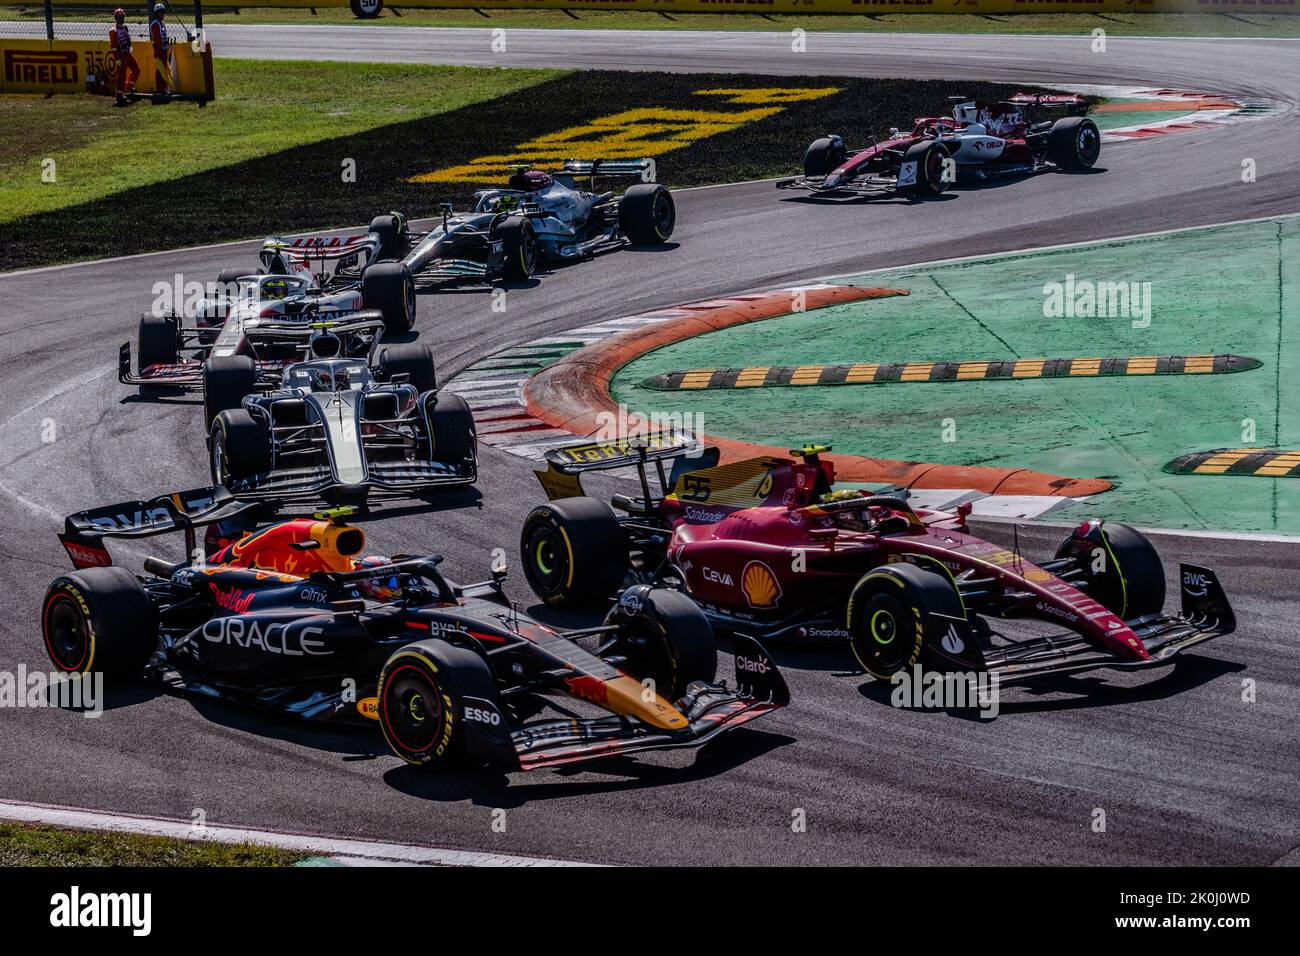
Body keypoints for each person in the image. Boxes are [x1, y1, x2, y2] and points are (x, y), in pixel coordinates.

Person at [108, 8, 139, 107]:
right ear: (116, 18)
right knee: (121, 76)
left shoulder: (125, 27)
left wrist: (130, 48)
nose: (122, 19)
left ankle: (129, 86)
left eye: (123, 17)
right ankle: (119, 96)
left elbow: (127, 40)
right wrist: (118, 60)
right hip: (120, 57)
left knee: (136, 69)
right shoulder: (113, 31)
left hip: (127, 54)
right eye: (120, 17)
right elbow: (113, 48)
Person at [149, 3, 173, 96]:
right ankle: (159, 90)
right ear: (156, 13)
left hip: (164, 50)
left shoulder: (162, 23)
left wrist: (166, 46)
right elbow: (157, 39)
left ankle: (164, 89)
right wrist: (159, 51)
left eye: (163, 12)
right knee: (160, 71)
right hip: (159, 51)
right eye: (160, 12)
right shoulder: (155, 24)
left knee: (165, 70)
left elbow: (164, 37)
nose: (162, 14)